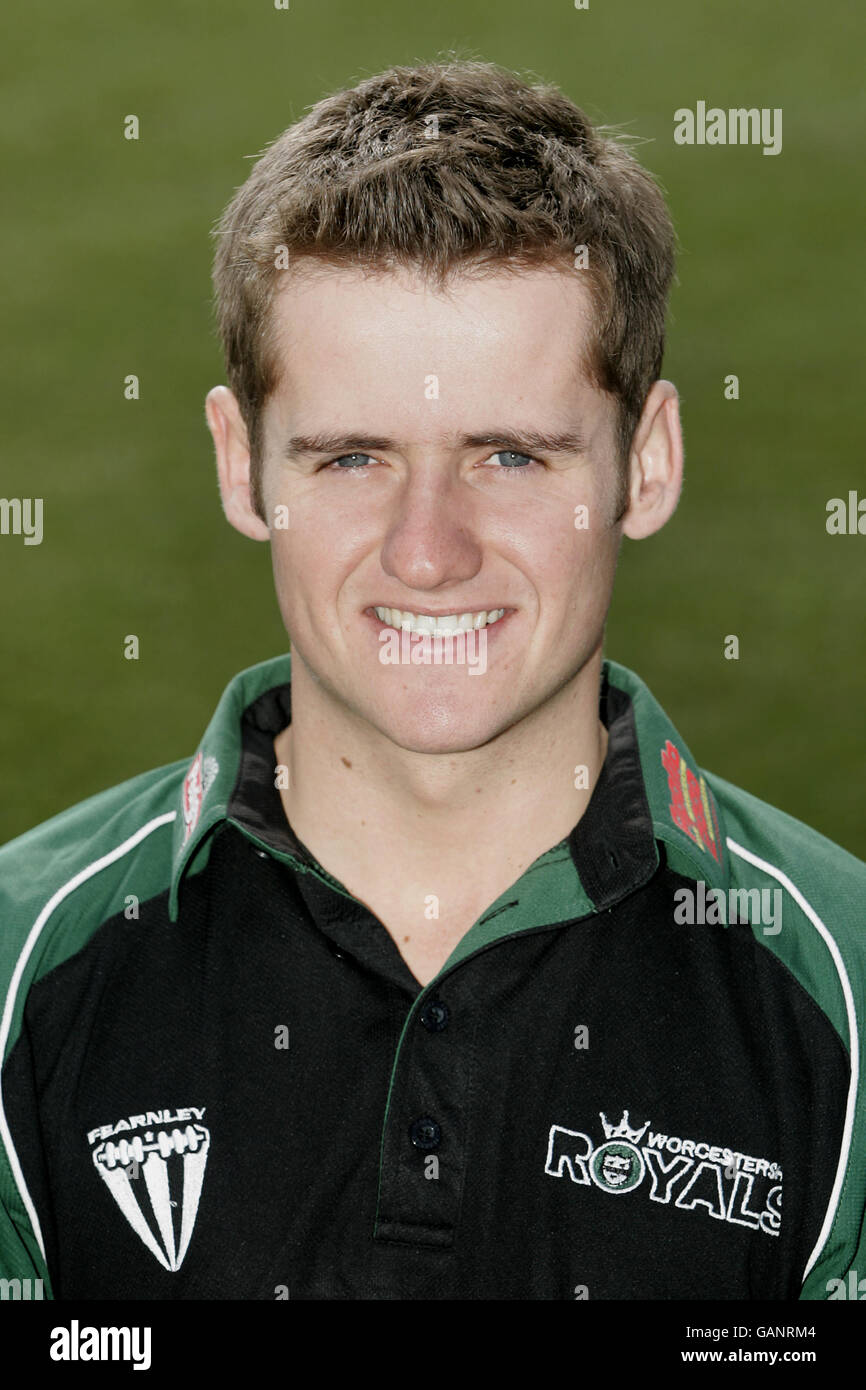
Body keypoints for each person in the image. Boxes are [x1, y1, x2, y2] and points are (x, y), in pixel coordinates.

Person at [0, 60, 863, 1302]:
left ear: (648, 462)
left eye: (509, 454)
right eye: (351, 457)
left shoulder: (840, 986)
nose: (427, 549)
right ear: (242, 470)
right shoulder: (24, 969)